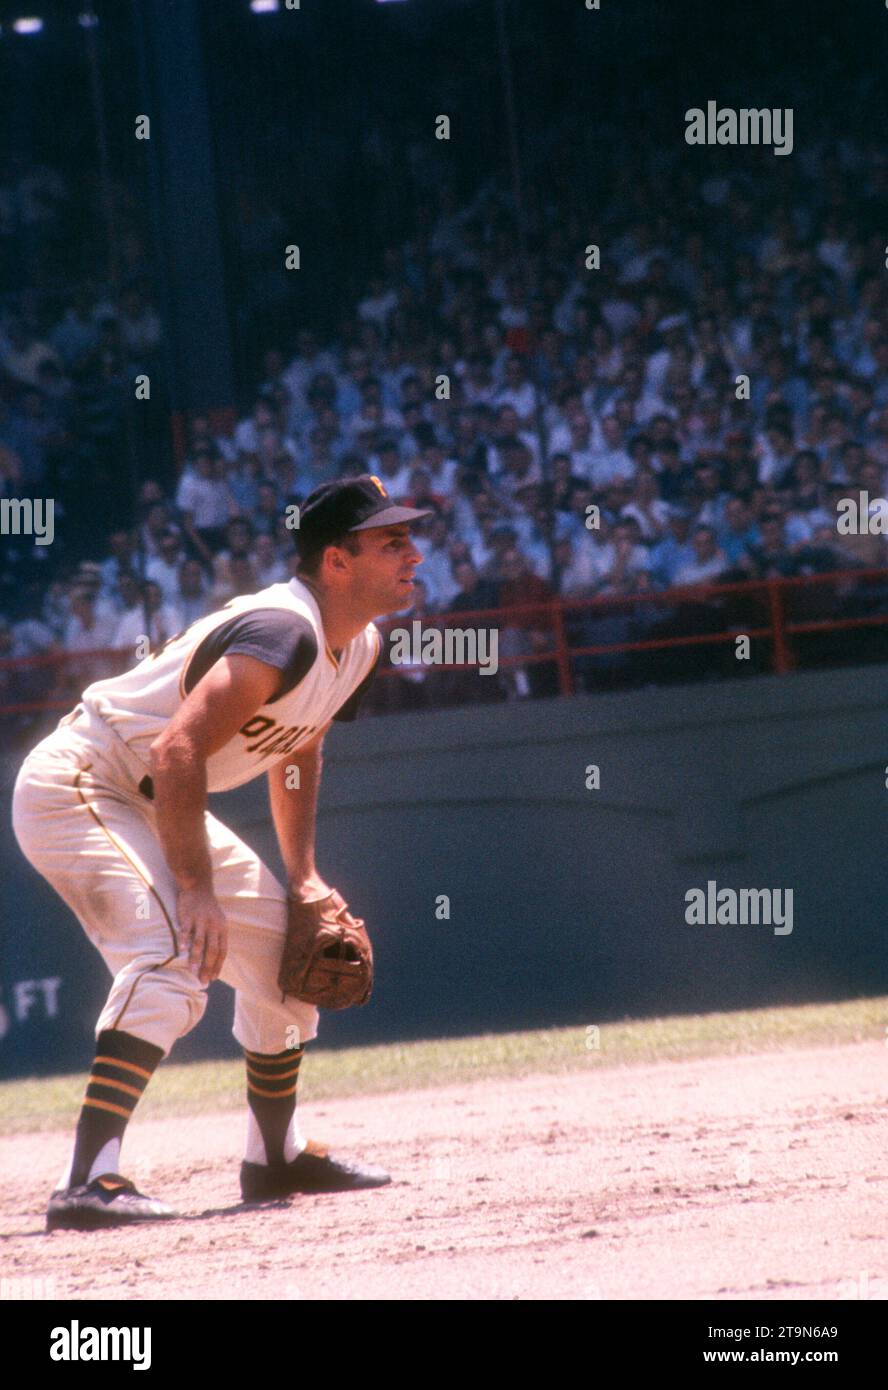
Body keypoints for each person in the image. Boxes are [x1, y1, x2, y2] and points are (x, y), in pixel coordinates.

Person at [12, 475, 429, 1229]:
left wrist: (303, 877)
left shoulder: (356, 644)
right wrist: (194, 887)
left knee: (291, 955)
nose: (414, 553)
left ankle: (274, 1156)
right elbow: (178, 749)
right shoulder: (284, 630)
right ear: (336, 562)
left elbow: (298, 748)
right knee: (175, 948)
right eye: (392, 542)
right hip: (83, 781)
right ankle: (88, 1181)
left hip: (152, 796)